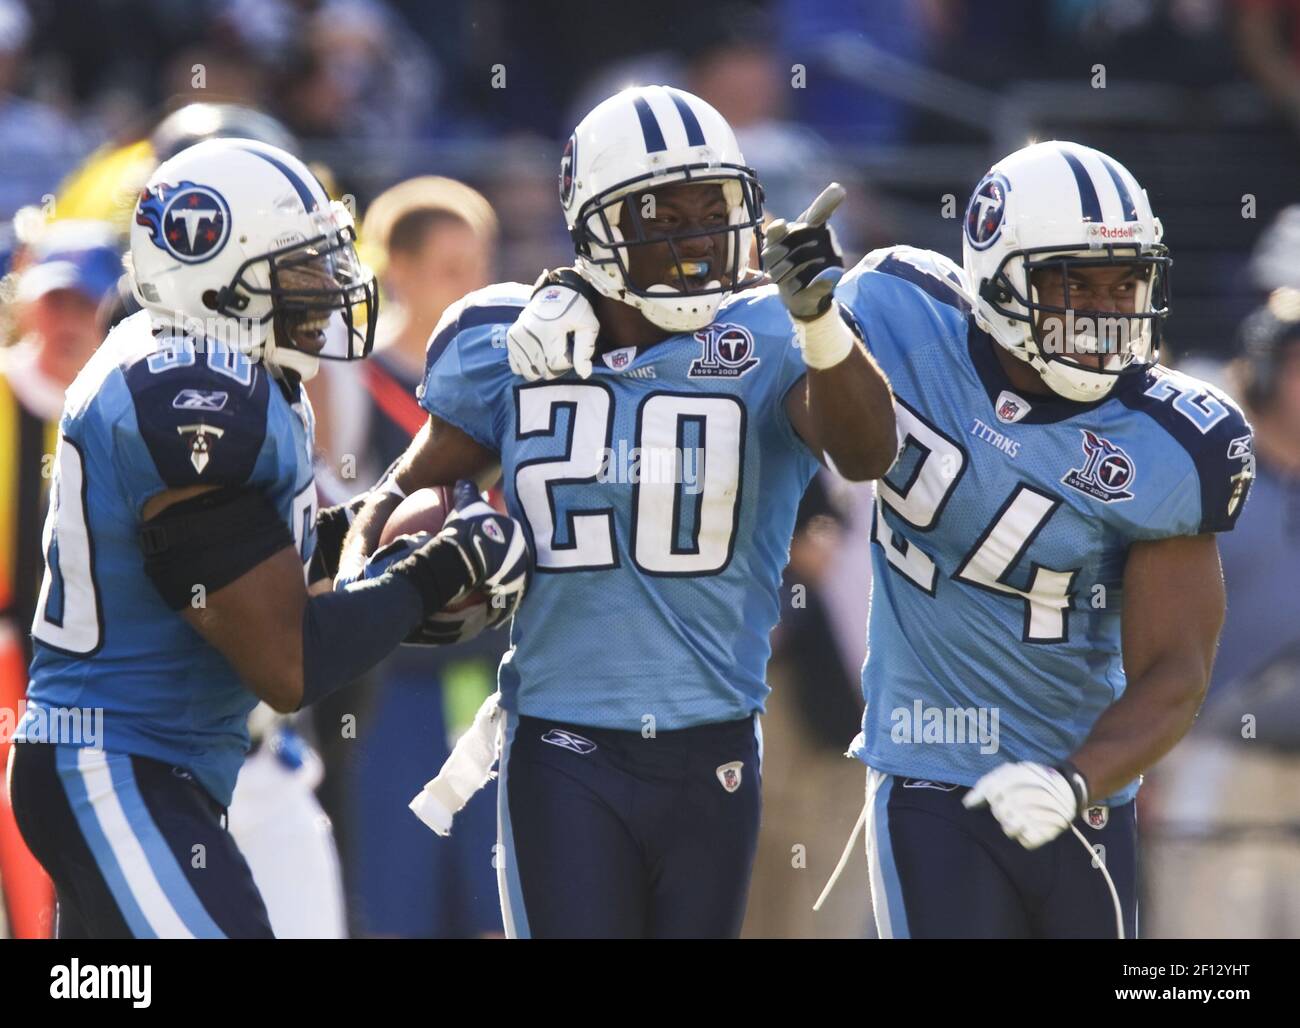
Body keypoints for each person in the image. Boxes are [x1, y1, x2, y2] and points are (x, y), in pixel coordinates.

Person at [518, 139, 1255, 939]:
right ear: (998, 277)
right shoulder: (900, 311)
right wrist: (577, 294)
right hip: (926, 770)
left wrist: (1076, 781)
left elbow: (1176, 668)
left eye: (1126, 285)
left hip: (1075, 789)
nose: (1107, 314)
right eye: (1075, 285)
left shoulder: (1172, 440)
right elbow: (703, 312)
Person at [334, 85, 897, 938]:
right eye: (660, 216)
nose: (694, 238)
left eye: (710, 212)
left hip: (714, 741)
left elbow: (867, 454)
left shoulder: (778, 334)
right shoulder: (506, 340)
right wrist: (438, 564)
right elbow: (398, 500)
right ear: (596, 226)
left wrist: (822, 321)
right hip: (562, 743)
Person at [5, 138, 529, 939]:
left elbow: (268, 559)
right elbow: (288, 662)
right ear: (210, 268)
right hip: (115, 766)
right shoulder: (187, 390)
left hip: (161, 766)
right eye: (298, 265)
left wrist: (379, 530)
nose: (326, 285)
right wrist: (433, 572)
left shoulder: (236, 370)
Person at [1144, 294, 1300, 938]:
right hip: (1209, 764)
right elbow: (1146, 633)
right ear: (1264, 372)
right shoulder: (1211, 483)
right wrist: (1139, 765)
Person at [0, 220, 120, 937]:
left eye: (88, 305)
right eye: (57, 301)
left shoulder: (126, 407)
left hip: (99, 662)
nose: (71, 322)